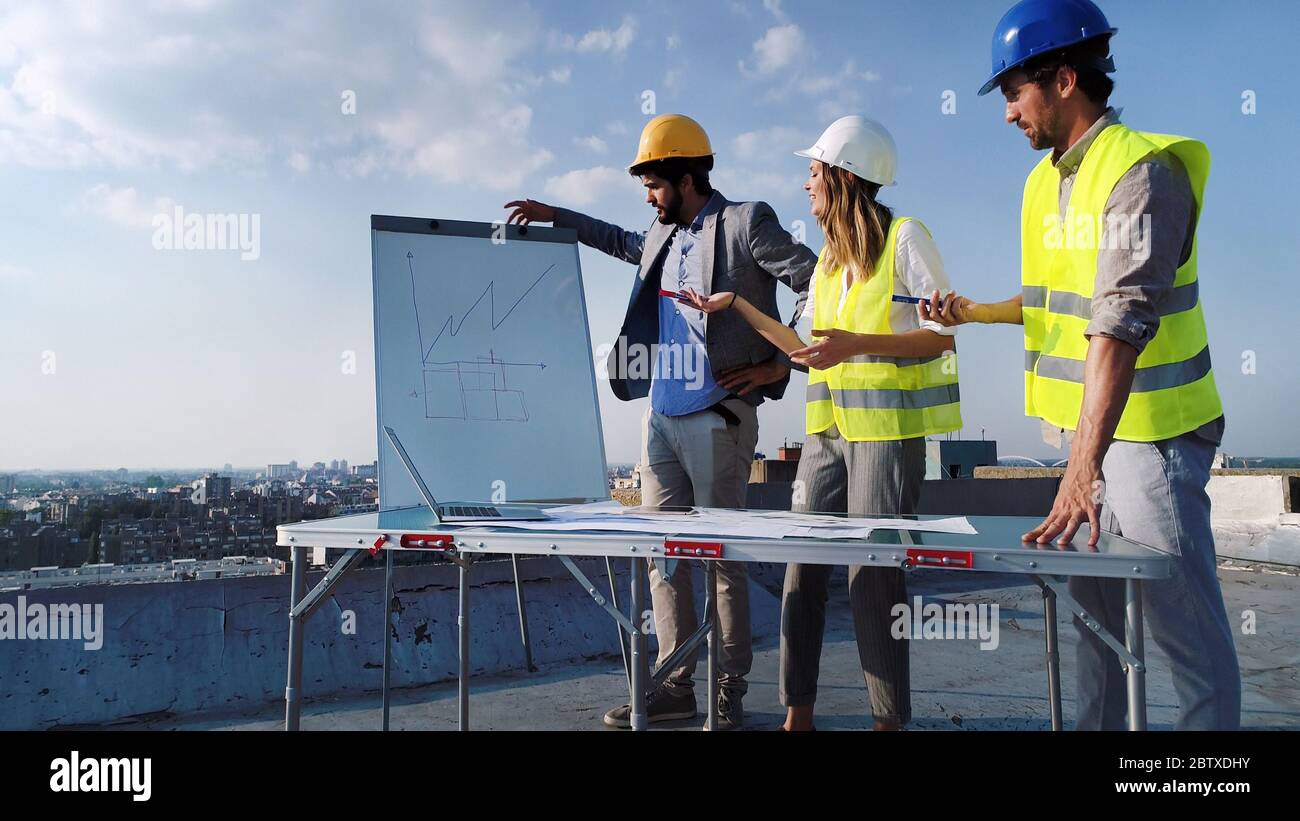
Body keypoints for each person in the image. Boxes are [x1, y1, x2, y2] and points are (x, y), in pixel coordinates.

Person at [923, 0, 1239, 729]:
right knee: (1094, 629)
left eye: (1012, 91)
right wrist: (973, 311)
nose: (1006, 113)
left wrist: (1081, 470)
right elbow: (1054, 303)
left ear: (1065, 80)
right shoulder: (1046, 181)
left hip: (1150, 443)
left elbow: (1120, 324)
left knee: (1184, 633)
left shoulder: (1144, 172)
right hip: (1086, 441)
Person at [505, 114, 816, 730]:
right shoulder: (660, 234)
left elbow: (814, 279)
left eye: (653, 183)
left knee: (720, 558)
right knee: (662, 557)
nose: (648, 196)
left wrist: (778, 363)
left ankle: (730, 687)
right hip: (662, 418)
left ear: (685, 175)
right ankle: (675, 684)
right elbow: (617, 239)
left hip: (719, 417)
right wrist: (554, 214)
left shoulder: (743, 222)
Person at [682, 115, 961, 730]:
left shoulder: (905, 239)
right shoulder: (829, 262)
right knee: (801, 568)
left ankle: (888, 720)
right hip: (826, 438)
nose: (806, 186)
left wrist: (857, 344)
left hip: (886, 439)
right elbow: (805, 346)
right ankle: (796, 717)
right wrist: (737, 306)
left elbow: (942, 336)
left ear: (844, 176)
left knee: (873, 578)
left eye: (813, 172)